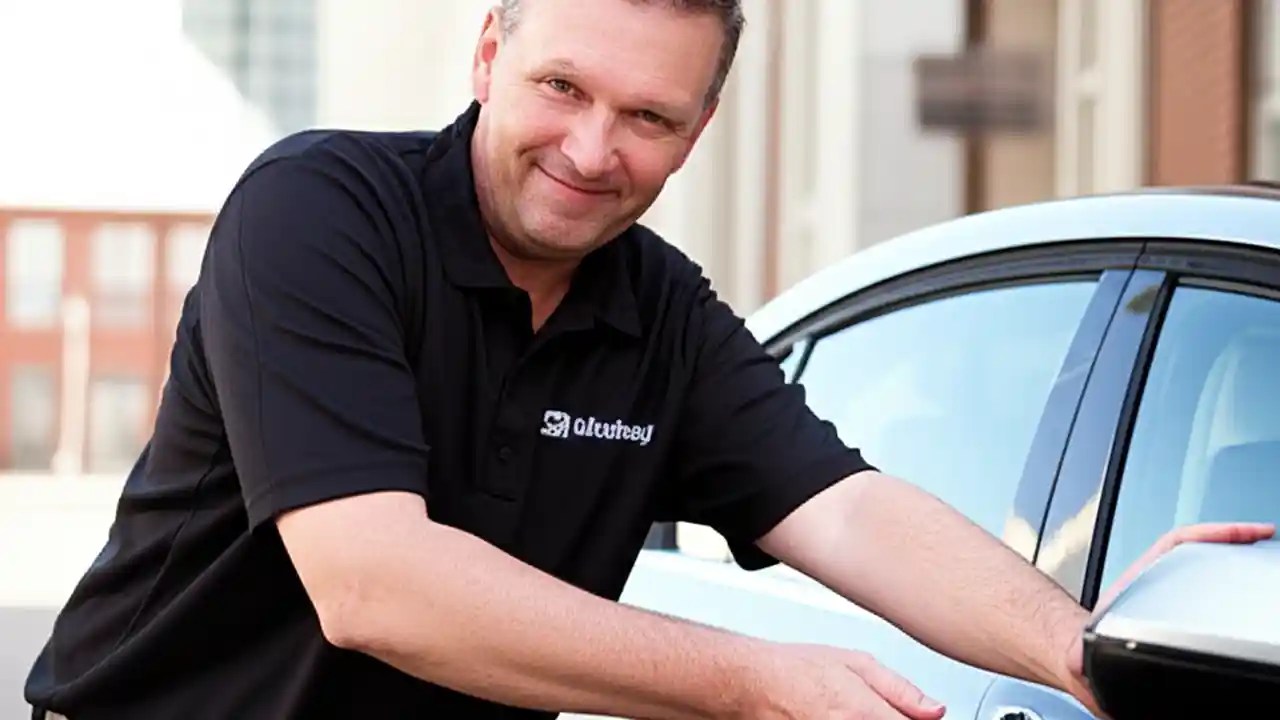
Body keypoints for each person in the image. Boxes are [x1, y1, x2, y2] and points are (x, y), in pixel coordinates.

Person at [25, 1, 1274, 718]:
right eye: (561, 85)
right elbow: (374, 586)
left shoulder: (659, 314)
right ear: (486, 54)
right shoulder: (320, 212)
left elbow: (845, 509)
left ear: (699, 129)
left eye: (647, 117)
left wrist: (1077, 643)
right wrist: (753, 683)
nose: (589, 147)